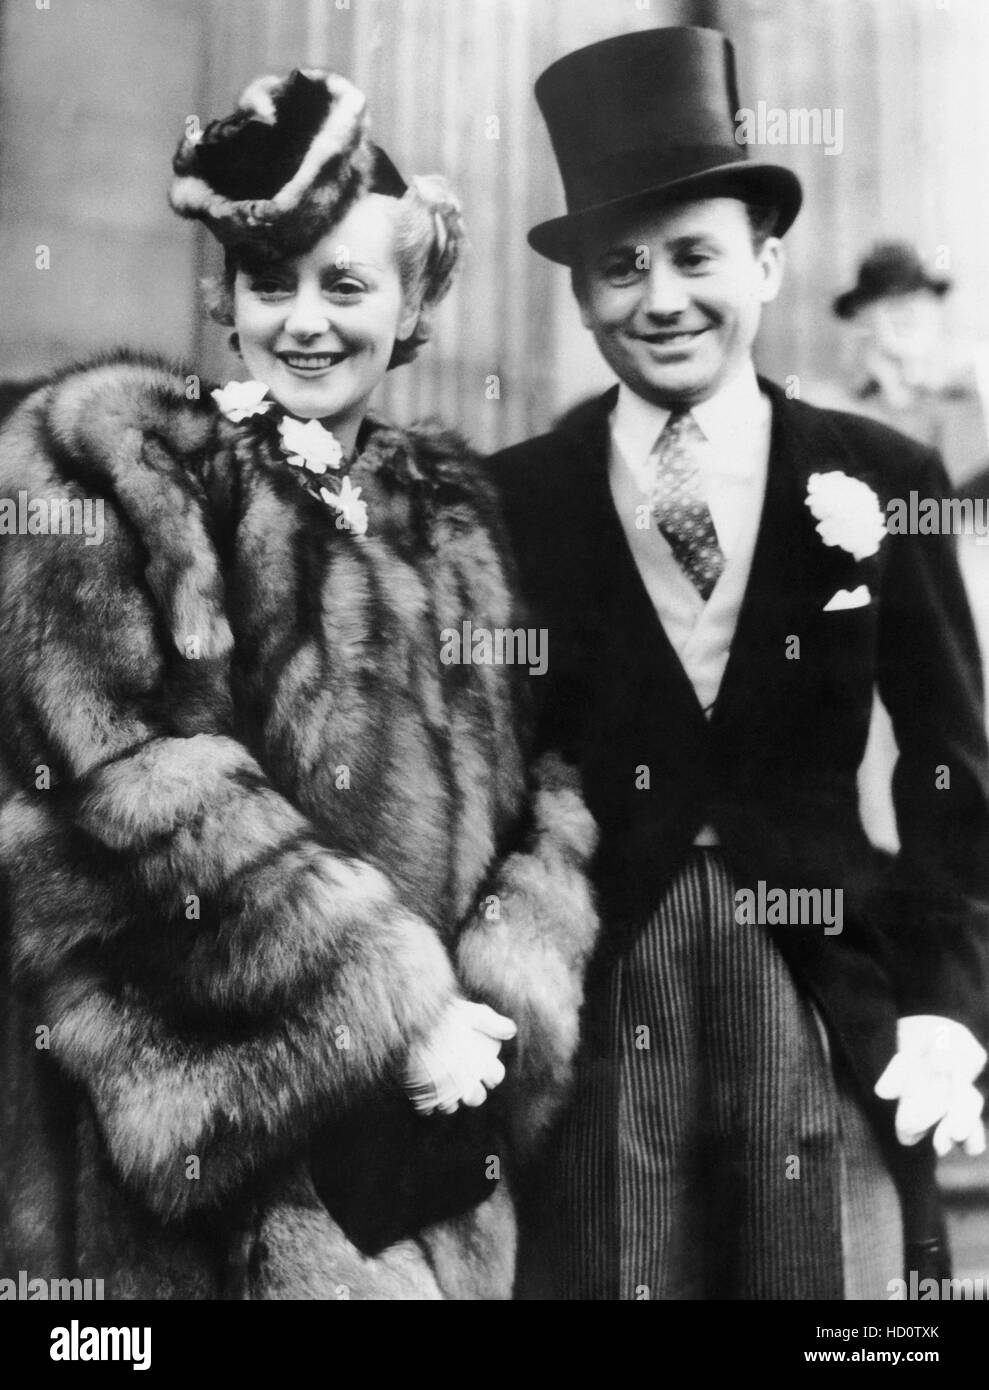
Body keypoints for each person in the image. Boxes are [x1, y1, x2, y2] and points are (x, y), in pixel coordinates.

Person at [0, 67, 598, 1300]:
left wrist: (504, 991)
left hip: (424, 1154)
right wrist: (385, 1002)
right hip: (203, 1146)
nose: (305, 321)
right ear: (227, 298)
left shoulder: (452, 512)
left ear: (410, 304)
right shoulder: (122, 464)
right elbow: (113, 787)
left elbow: (536, 779)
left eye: (346, 285)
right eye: (270, 284)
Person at [492, 27, 989, 1300]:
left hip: (819, 966)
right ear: (581, 296)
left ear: (764, 263)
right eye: (620, 268)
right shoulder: (516, 499)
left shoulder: (881, 475)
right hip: (606, 979)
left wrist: (946, 999)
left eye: (694, 256)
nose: (659, 299)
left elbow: (948, 764)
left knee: (829, 1298)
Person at [814, 242, 989, 491]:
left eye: (918, 299)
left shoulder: (966, 399)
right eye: (891, 302)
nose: (908, 313)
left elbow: (970, 502)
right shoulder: (832, 408)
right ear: (860, 315)